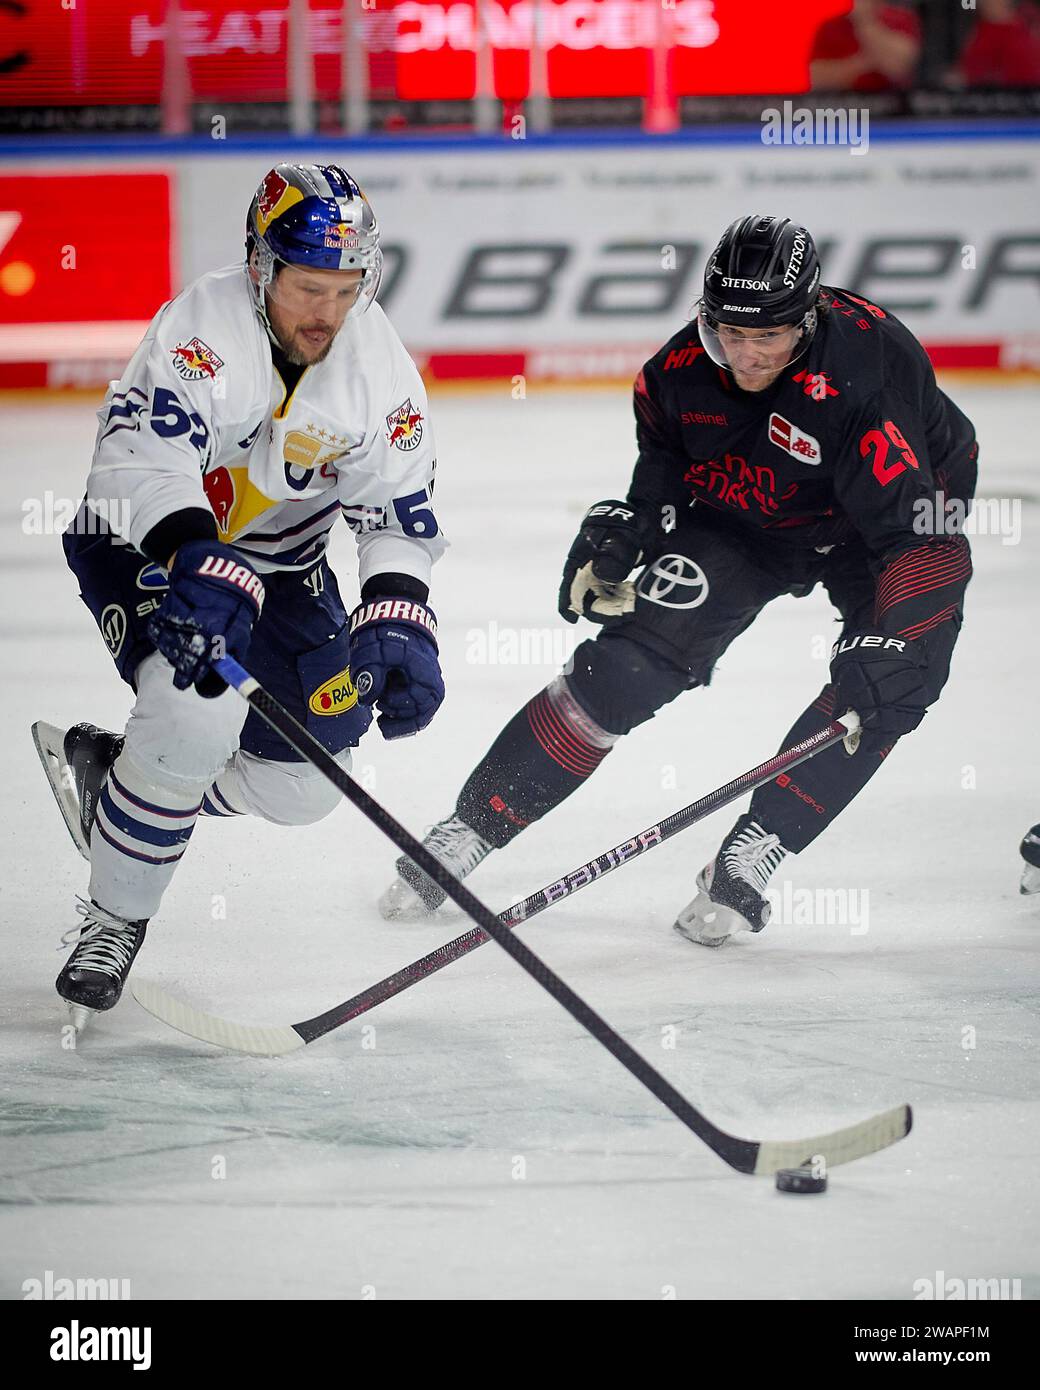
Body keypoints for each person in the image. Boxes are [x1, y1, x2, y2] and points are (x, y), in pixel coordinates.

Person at [379, 214, 977, 948]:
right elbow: (662, 471)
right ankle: (468, 829)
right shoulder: (676, 374)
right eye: (729, 332)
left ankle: (750, 858)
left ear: (809, 318)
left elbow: (917, 531)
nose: (746, 355)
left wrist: (897, 636)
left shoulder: (865, 374)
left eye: (768, 338)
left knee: (888, 685)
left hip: (886, 528)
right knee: (622, 666)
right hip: (751, 519)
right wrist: (628, 532)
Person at [35, 163, 446, 1029]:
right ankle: (114, 917)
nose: (326, 313)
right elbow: (137, 463)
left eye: (346, 288)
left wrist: (400, 609)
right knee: (197, 709)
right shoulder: (200, 330)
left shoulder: (376, 364)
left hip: (284, 573)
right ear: (261, 269)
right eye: (307, 287)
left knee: (306, 786)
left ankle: (128, 783)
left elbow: (395, 516)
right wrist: (195, 554)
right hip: (148, 545)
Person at [809, 0, 921, 92]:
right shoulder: (830, 25)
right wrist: (863, 63)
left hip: (895, 105)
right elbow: (816, 78)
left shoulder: (901, 18)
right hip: (843, 106)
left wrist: (865, 21)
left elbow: (900, 67)